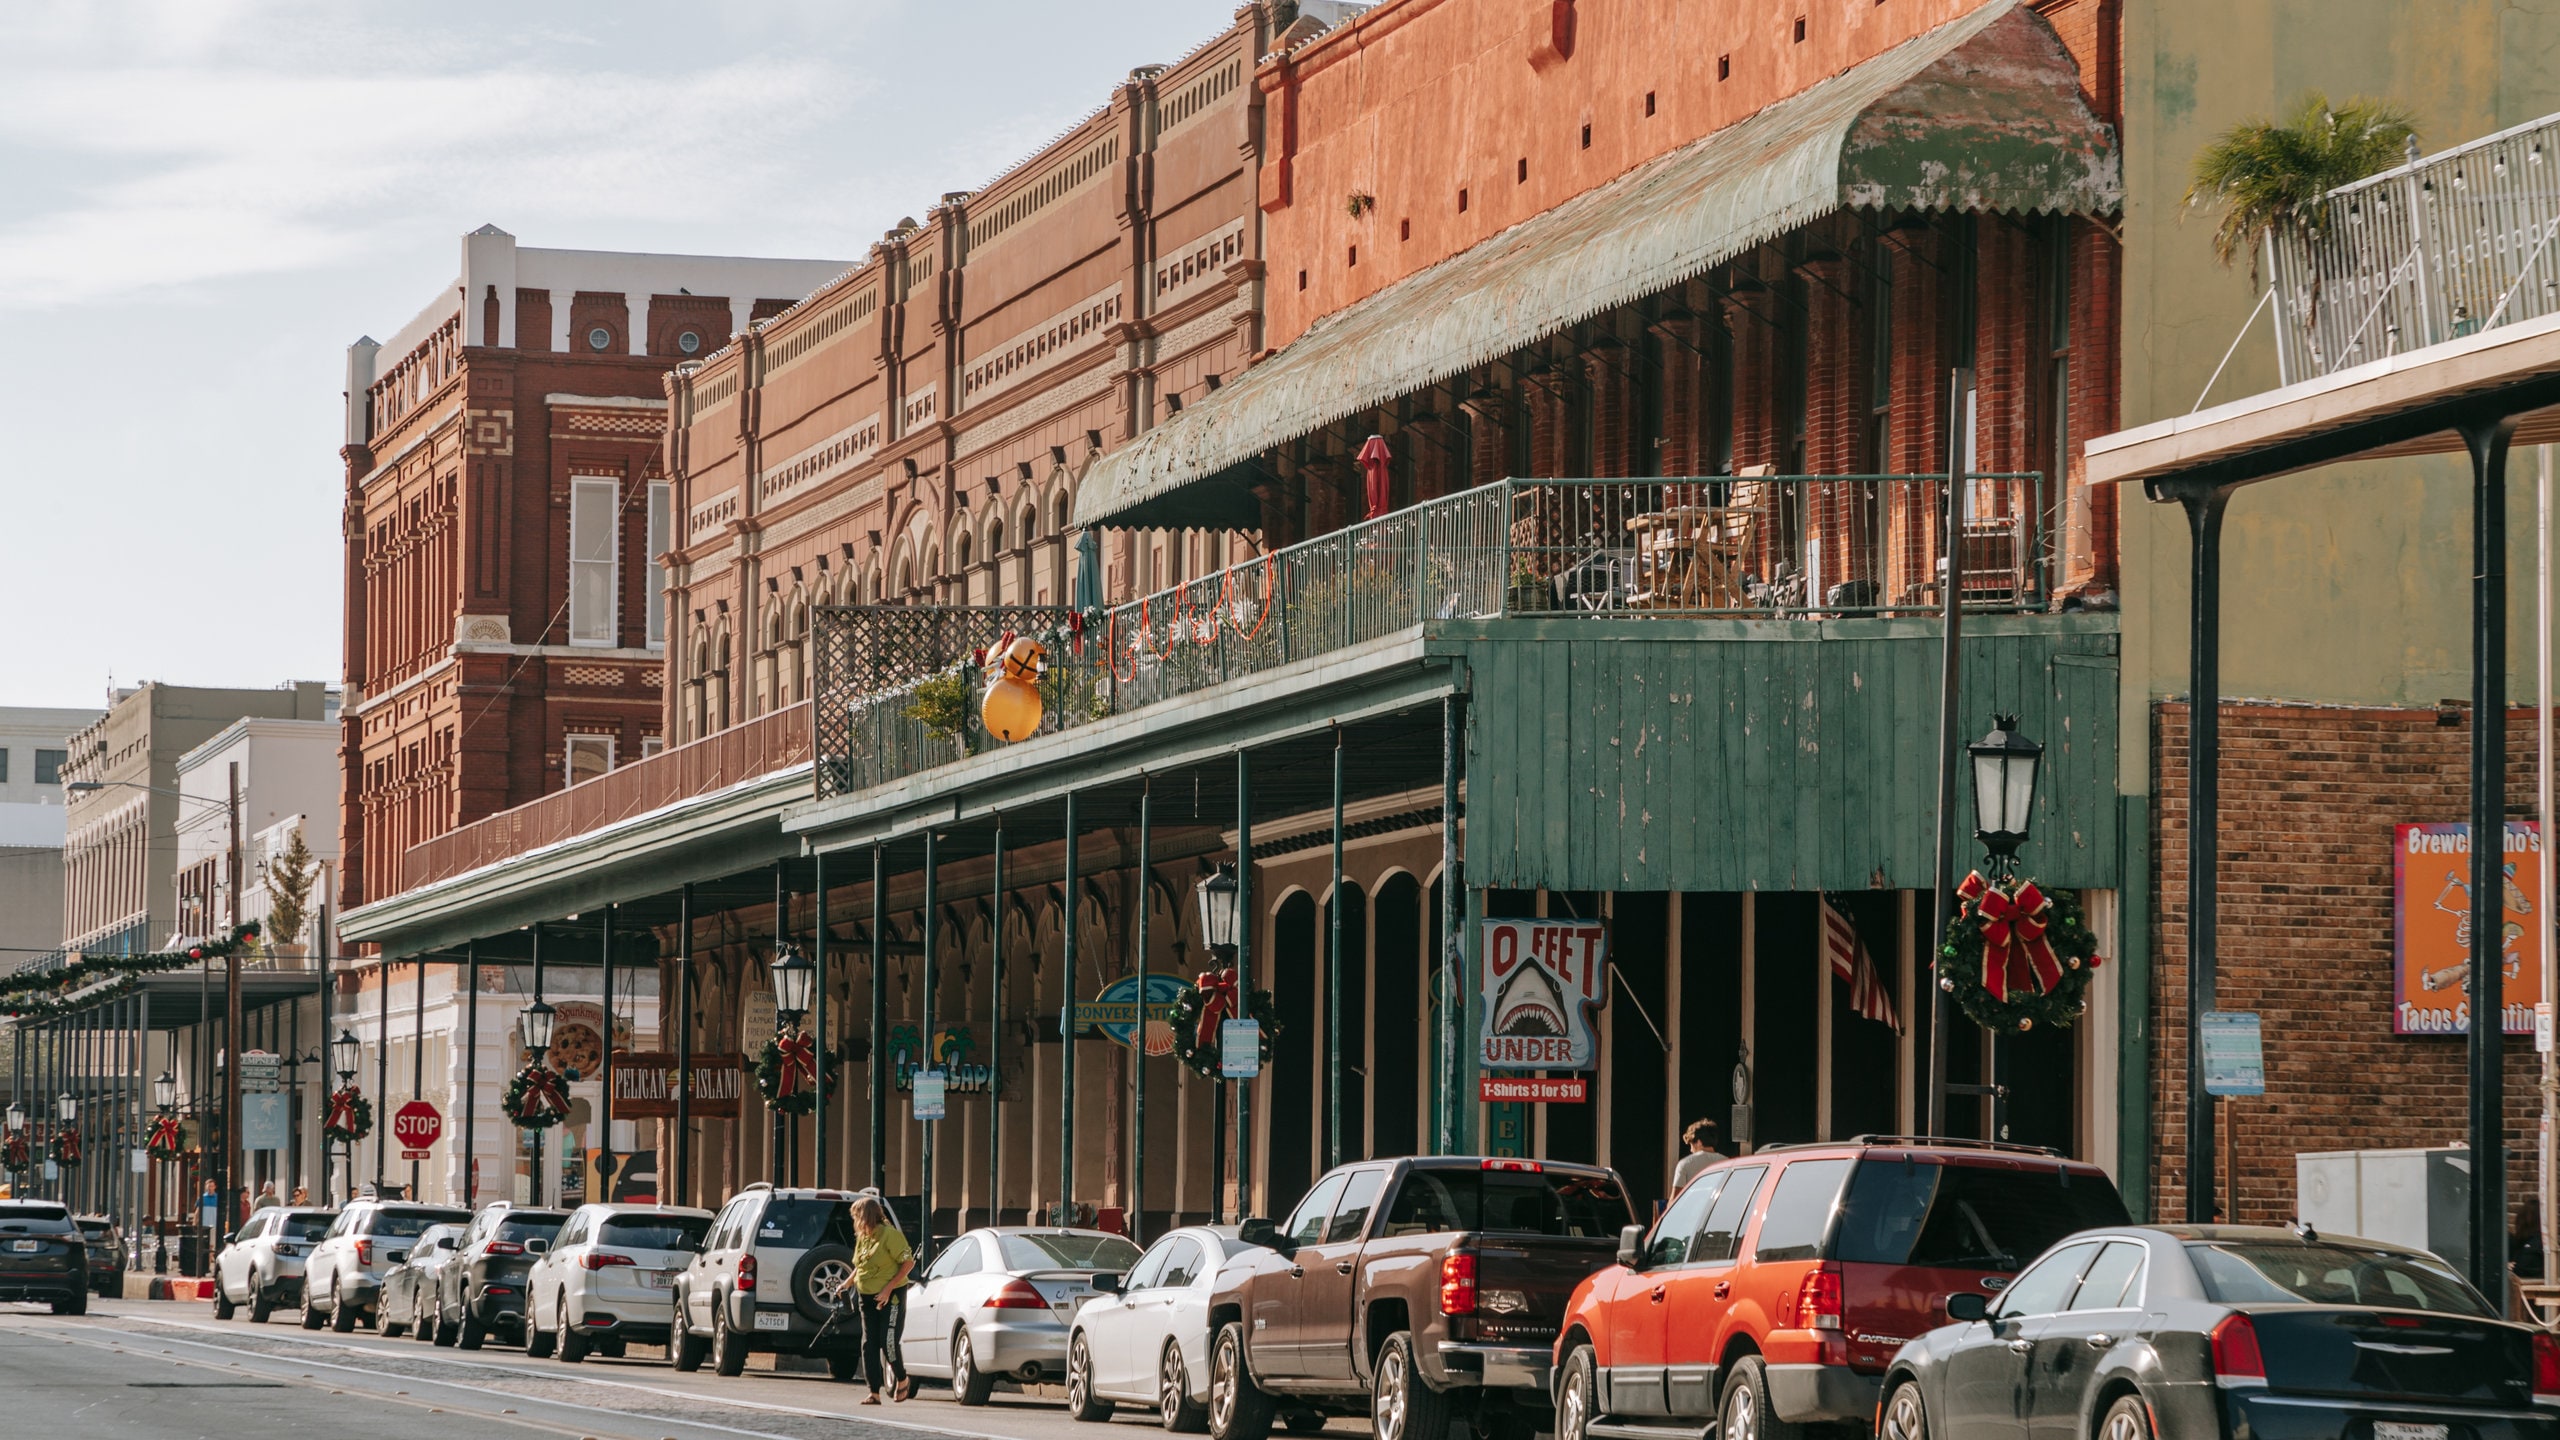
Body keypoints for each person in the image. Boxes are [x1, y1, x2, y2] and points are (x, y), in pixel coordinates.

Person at [834, 1195, 914, 1404]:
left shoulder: (890, 1235)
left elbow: (908, 1263)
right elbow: (861, 1266)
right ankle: (874, 1392)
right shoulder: (864, 1236)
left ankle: (903, 1379)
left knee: (888, 1342)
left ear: (865, 1216)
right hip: (866, 1295)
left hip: (891, 1295)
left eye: (856, 1216)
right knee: (869, 1344)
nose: (854, 1221)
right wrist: (847, 1283)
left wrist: (888, 1289)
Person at [1671, 1119, 1720, 1193]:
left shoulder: (1685, 1164)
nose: (1691, 1150)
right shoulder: (1728, 1163)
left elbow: (1675, 1199)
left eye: (1691, 1145)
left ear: (1699, 1142)